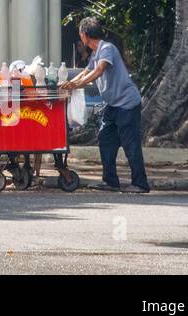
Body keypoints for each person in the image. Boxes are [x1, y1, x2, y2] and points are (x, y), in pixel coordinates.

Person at [60, 16, 149, 193]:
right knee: (105, 139)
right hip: (113, 104)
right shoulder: (95, 53)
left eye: (80, 35)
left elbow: (99, 71)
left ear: (84, 35)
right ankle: (110, 181)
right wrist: (69, 83)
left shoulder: (107, 49)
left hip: (127, 103)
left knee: (130, 144)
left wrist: (76, 85)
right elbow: (87, 71)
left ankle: (140, 184)